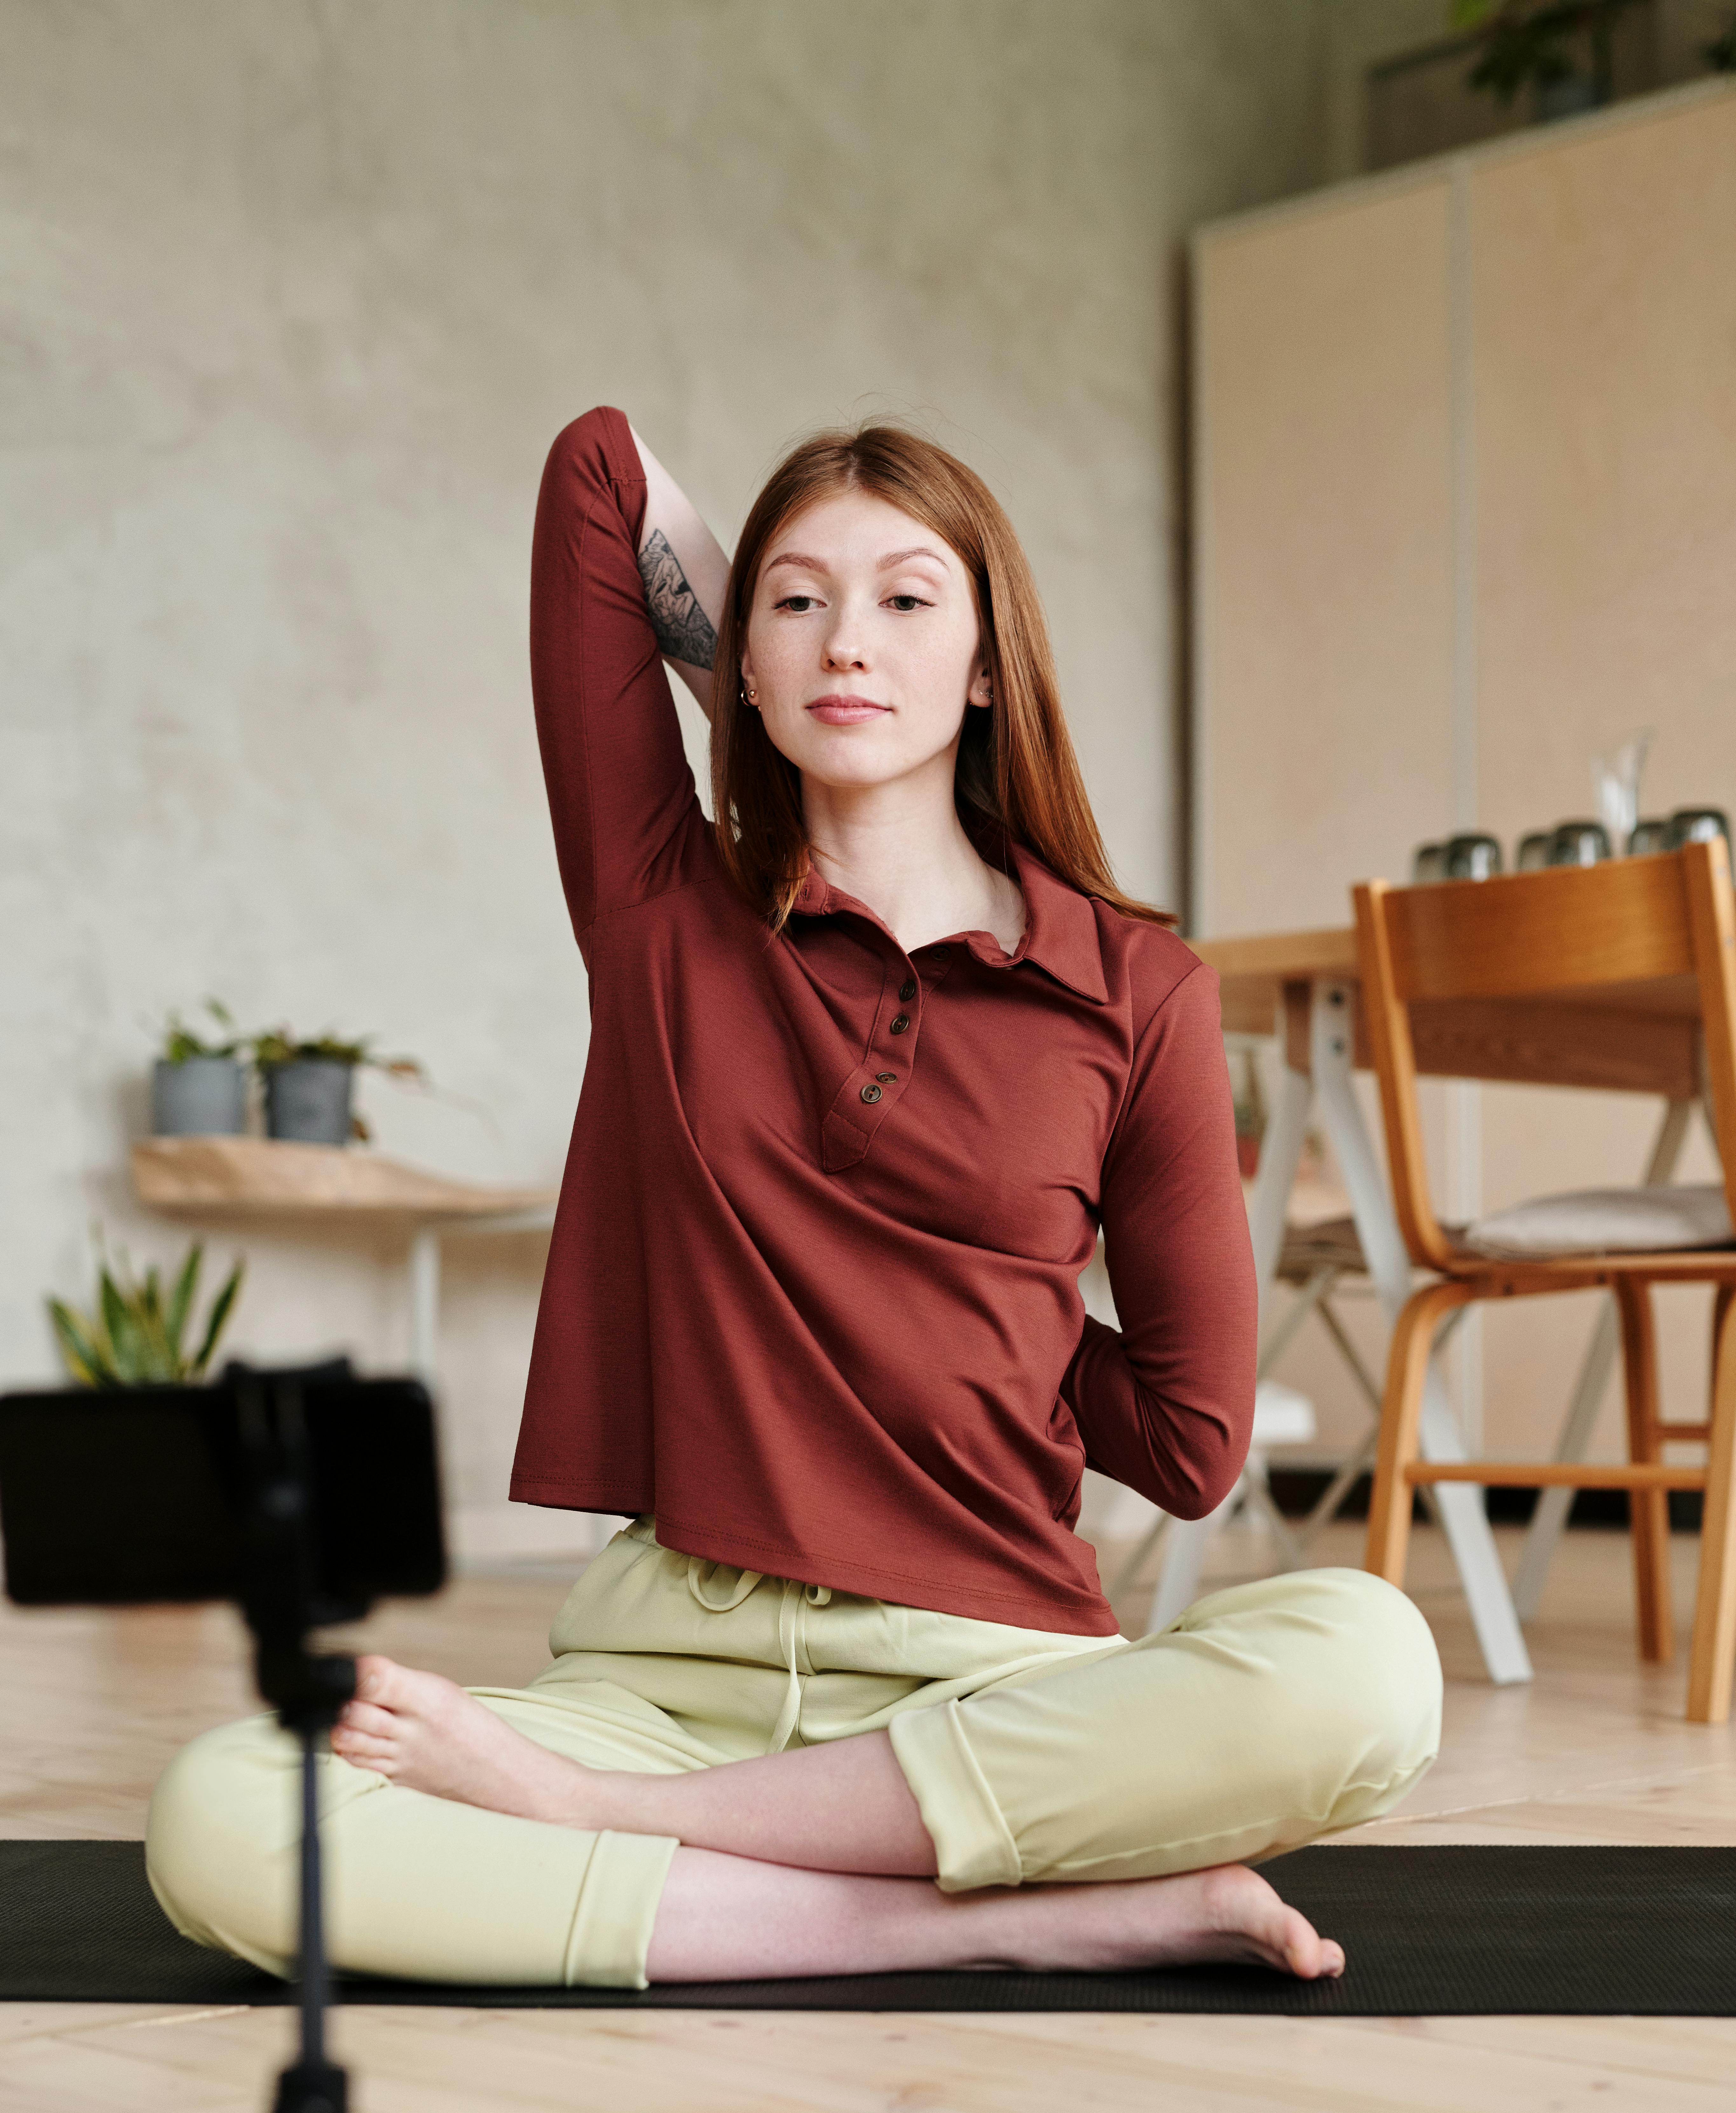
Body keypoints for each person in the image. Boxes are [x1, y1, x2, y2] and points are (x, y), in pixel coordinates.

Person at [145, 407, 1441, 1990]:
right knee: (220, 1816)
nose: (848, 639)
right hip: (663, 1660)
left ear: (988, 666)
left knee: (1372, 1664)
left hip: (981, 1684)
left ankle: (609, 1823)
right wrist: (770, 696)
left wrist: (994, 1296)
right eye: (796, 599)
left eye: (907, 601)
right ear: (737, 653)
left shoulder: (1135, 988)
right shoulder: (662, 909)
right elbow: (597, 474)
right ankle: (998, 1916)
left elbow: (1190, 1443)